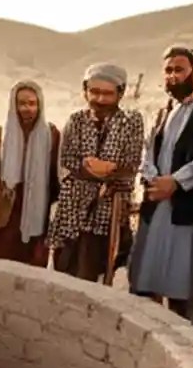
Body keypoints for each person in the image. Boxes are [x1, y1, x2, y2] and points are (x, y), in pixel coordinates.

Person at [128, 45, 193, 323]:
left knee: (182, 289)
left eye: (179, 70)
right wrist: (152, 179)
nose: (173, 76)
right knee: (145, 284)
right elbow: (148, 150)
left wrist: (176, 182)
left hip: (189, 210)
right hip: (157, 205)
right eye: (168, 70)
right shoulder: (164, 110)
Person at [49, 63, 145, 282]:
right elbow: (69, 161)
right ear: (85, 91)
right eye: (94, 92)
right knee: (65, 272)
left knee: (97, 273)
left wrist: (104, 169)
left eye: (107, 93)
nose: (100, 99)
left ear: (120, 93)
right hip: (72, 210)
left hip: (108, 210)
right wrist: (104, 169)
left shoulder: (131, 121)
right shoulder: (76, 120)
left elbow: (130, 165)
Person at [0, 80, 61, 266]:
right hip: (4, 210)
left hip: (37, 212)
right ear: (14, 105)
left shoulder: (52, 135)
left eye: (32, 103)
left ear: (40, 105)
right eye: (21, 103)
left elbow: (57, 177)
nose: (27, 109)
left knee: (32, 269)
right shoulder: (0, 135)